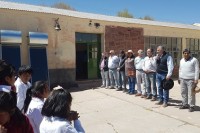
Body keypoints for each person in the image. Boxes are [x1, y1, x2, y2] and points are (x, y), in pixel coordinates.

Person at [0, 59, 33, 133]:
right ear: (7, 78)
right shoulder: (10, 92)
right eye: (13, 76)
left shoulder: (24, 85)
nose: (15, 78)